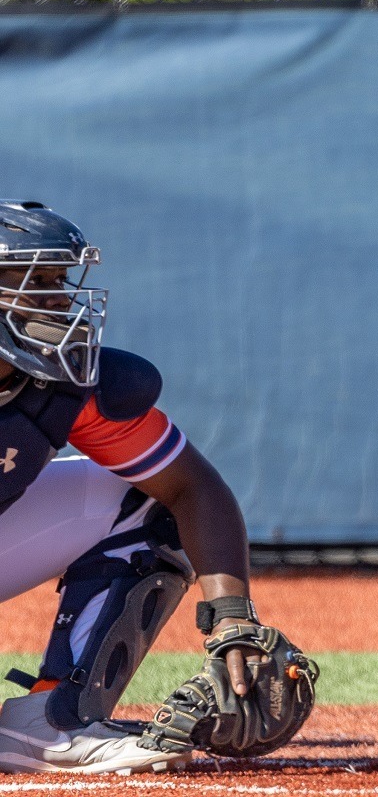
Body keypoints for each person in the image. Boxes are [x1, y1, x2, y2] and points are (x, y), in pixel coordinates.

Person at [0, 201, 272, 775]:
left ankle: (52, 719)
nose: (60, 301)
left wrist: (232, 618)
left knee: (141, 503)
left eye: (58, 280)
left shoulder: (65, 383)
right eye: (33, 282)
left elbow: (191, 488)